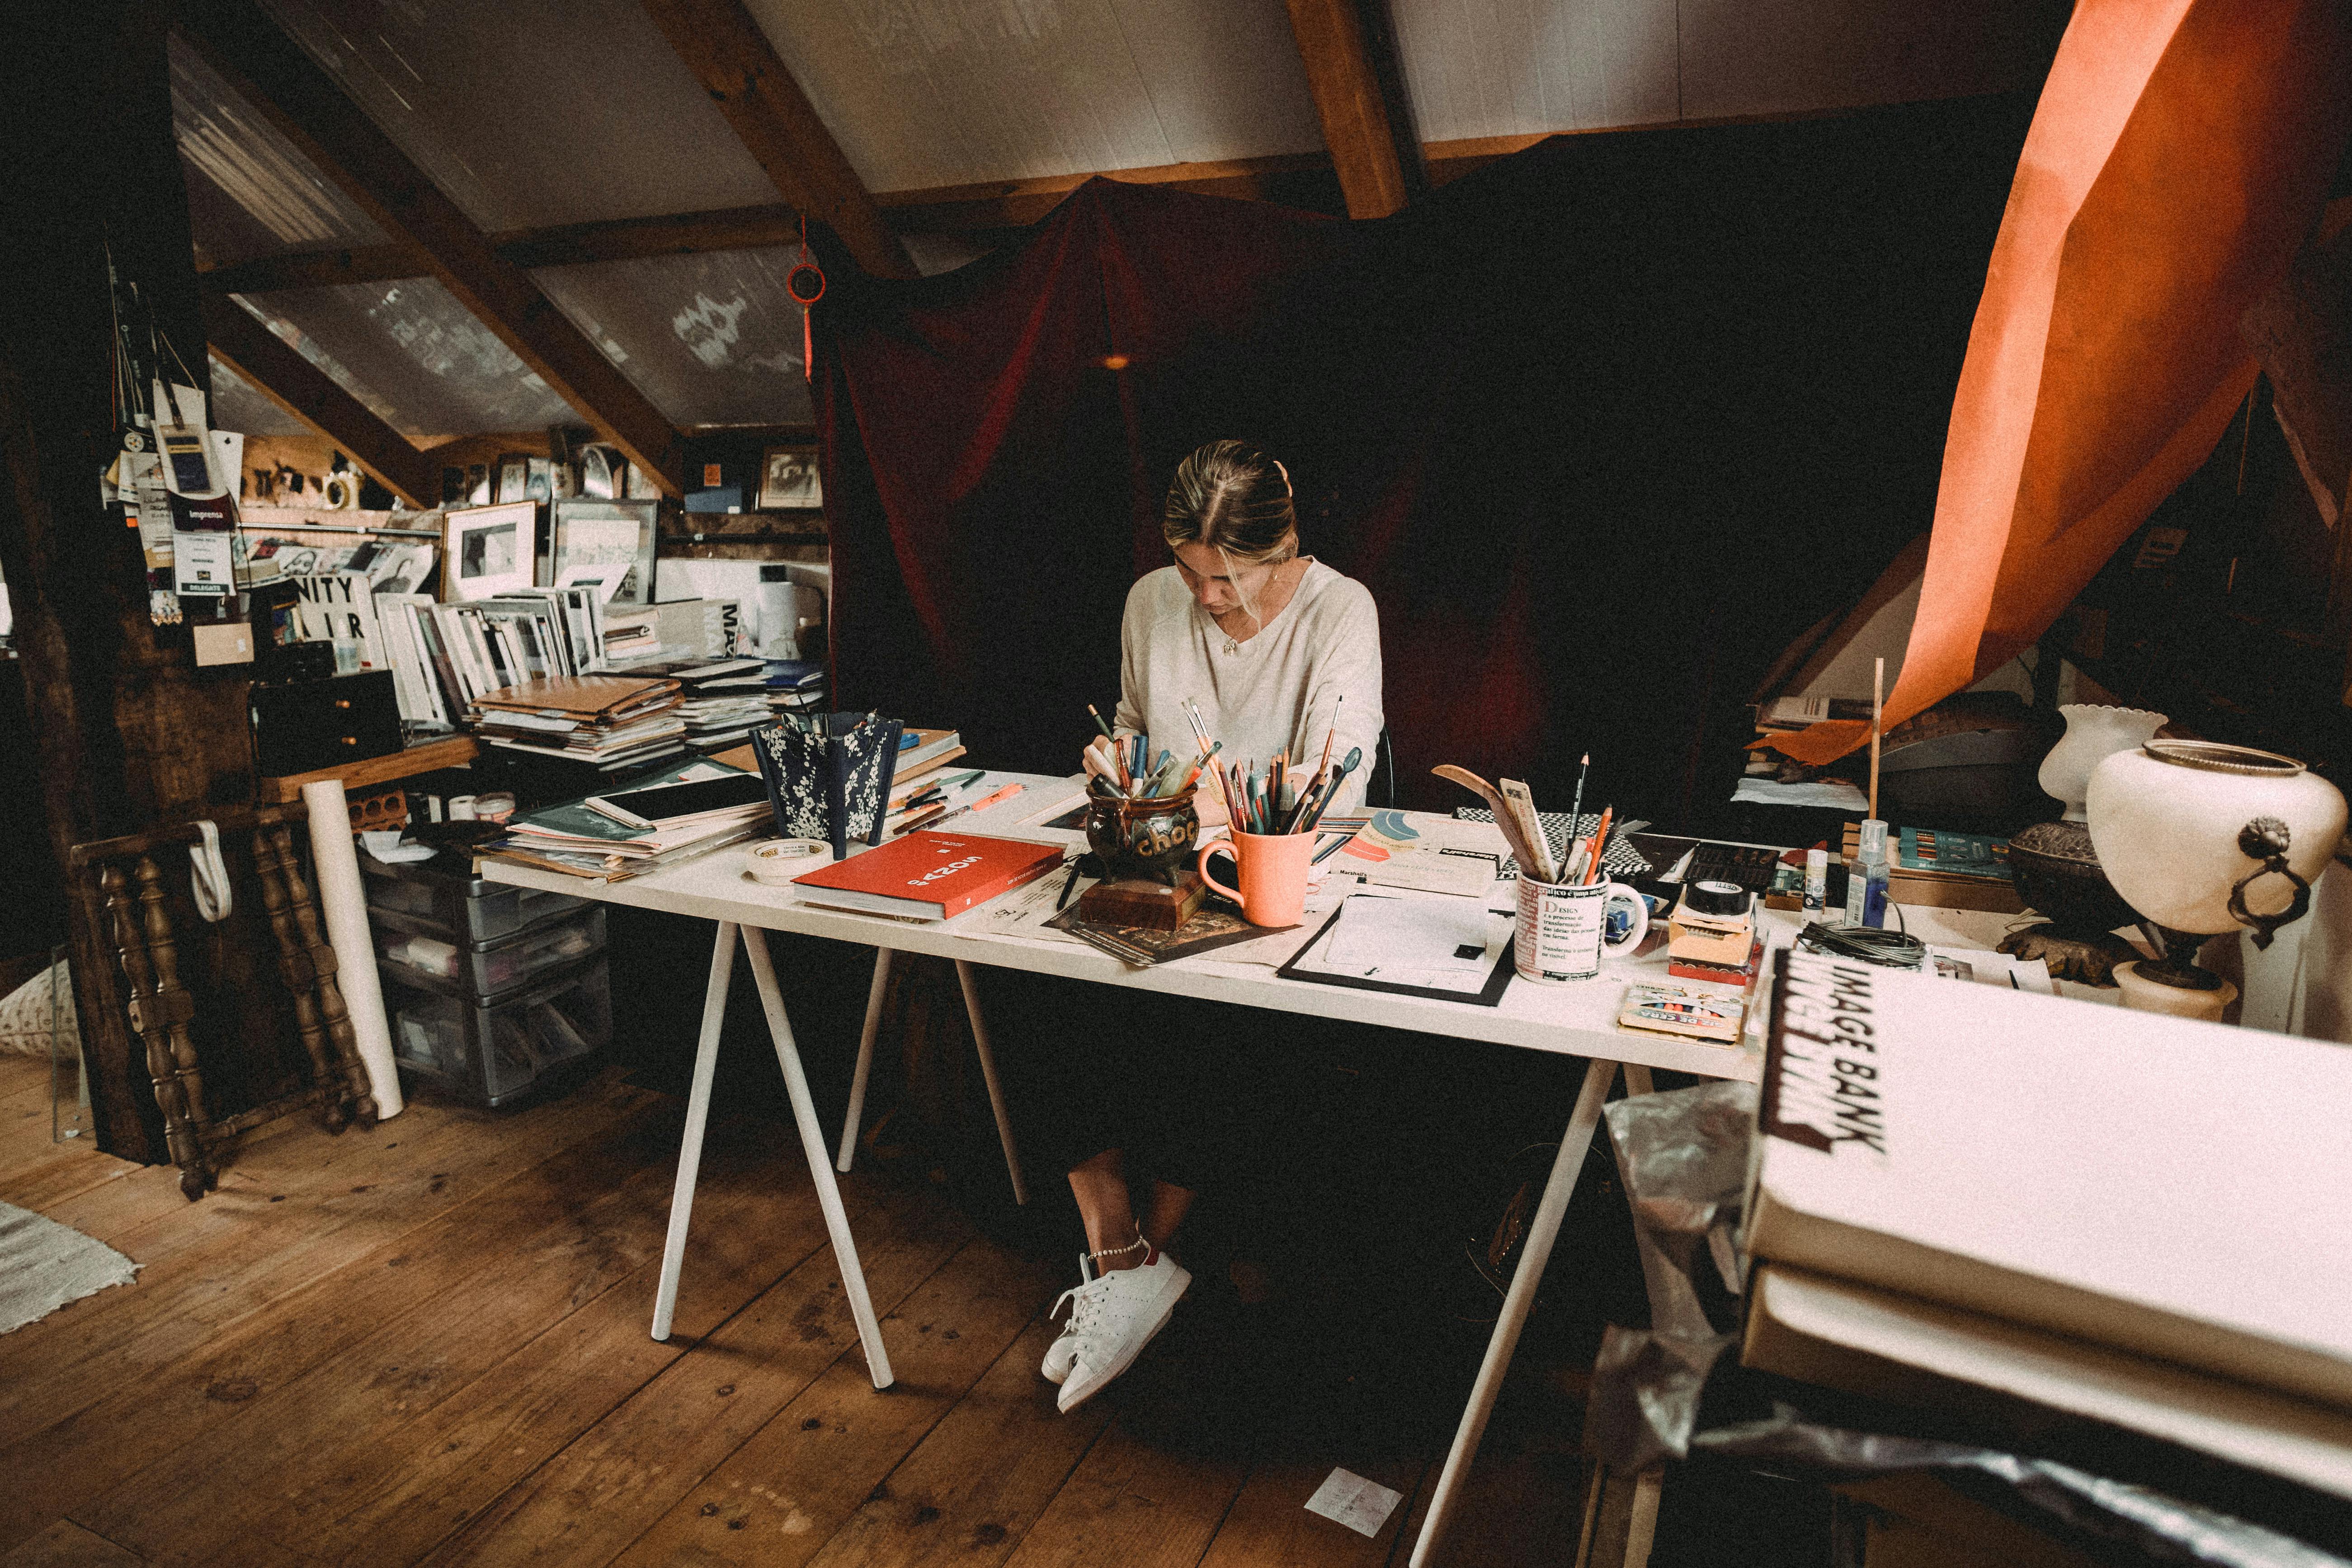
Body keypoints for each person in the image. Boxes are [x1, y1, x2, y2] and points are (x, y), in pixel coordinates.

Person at [1041, 438, 1384, 1412]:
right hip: (1158, 862)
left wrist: (1193, 812)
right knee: (1040, 965)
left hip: (1276, 876)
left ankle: (1143, 1261)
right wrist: (1120, 767)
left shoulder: (1338, 609)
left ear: (1283, 551)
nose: (1204, 598)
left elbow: (1334, 779)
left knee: (1214, 1010)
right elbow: (1136, 730)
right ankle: (1121, 1257)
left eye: (1227, 577)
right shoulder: (1153, 598)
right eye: (1190, 571)